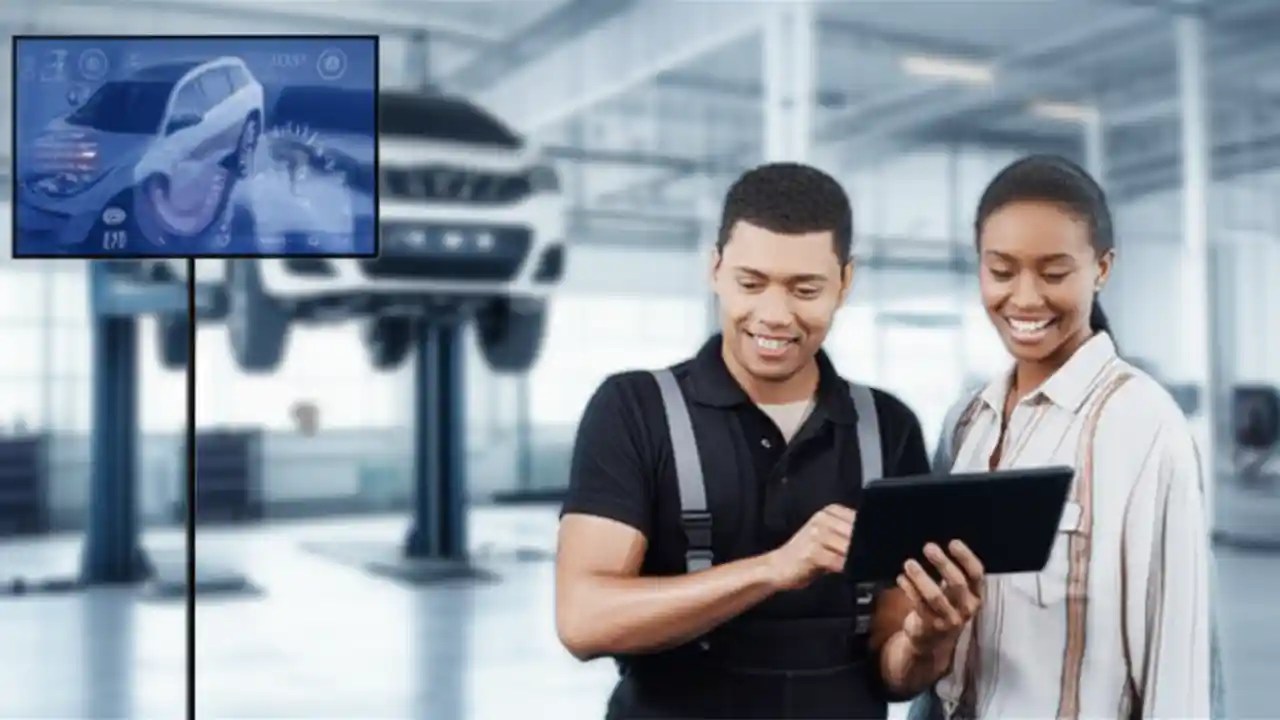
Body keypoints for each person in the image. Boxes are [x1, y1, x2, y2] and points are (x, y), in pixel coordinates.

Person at [554, 162, 986, 719]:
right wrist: (772, 569)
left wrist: (929, 639)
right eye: (750, 283)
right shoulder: (634, 411)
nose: (775, 316)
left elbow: (895, 675)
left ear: (845, 283)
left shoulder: (888, 427)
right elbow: (583, 620)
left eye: (805, 289)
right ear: (714, 269)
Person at [917, 154, 1216, 719]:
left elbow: (1177, 664)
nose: (1025, 299)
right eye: (1001, 271)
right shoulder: (967, 423)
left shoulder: (1141, 423)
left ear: (1102, 268)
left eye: (1054, 273)